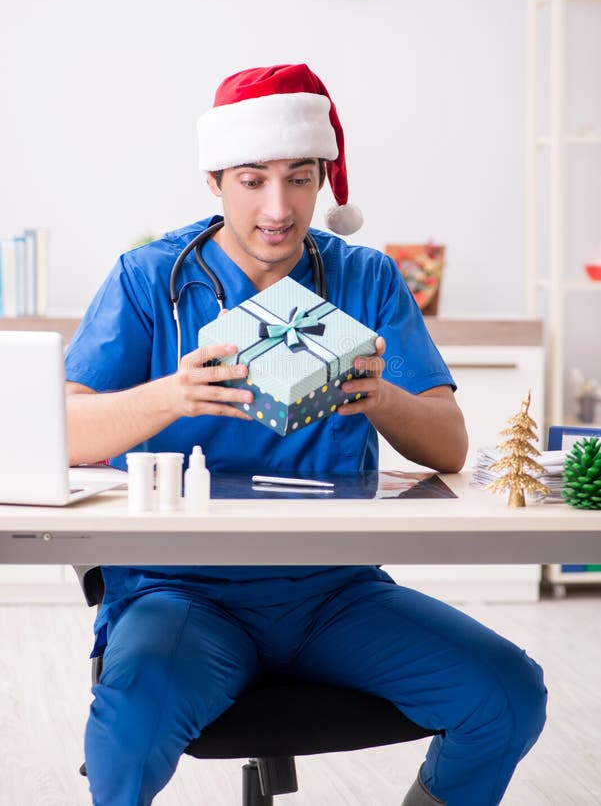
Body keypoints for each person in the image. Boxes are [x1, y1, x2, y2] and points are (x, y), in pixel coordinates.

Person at [65, 63, 547, 806]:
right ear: (215, 181)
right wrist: (172, 394)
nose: (277, 208)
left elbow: (448, 445)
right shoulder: (147, 277)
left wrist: (379, 397)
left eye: (299, 178)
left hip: (334, 592)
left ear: (323, 178)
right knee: (125, 735)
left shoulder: (366, 278)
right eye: (252, 180)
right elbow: (62, 431)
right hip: (181, 591)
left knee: (507, 693)